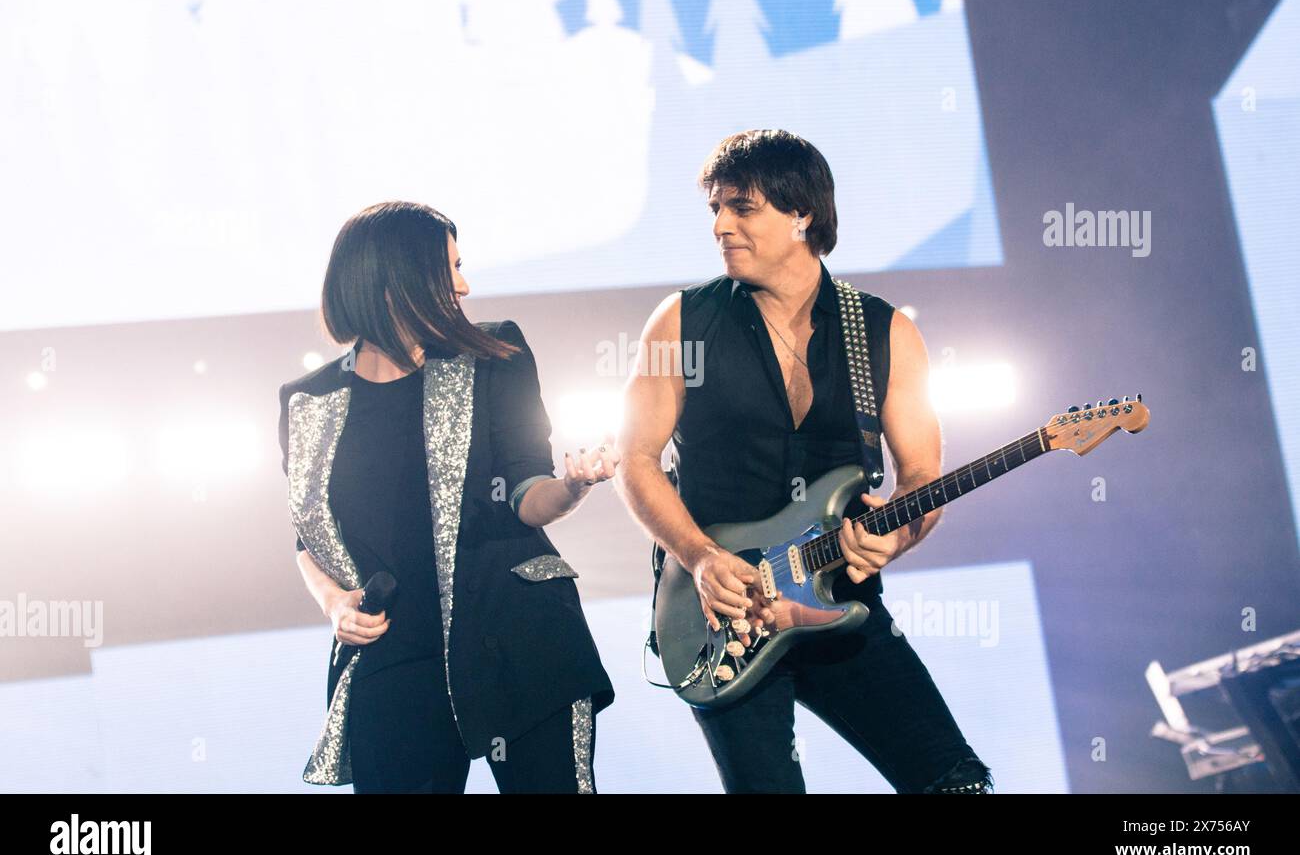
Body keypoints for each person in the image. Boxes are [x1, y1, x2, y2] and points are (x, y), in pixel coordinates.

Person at [614, 130, 992, 793]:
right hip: (721, 617)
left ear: (802, 213)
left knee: (953, 782)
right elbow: (636, 459)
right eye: (715, 210)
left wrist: (896, 539)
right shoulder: (679, 321)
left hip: (839, 602)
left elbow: (923, 481)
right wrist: (701, 559)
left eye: (742, 208)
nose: (721, 226)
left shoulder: (885, 331)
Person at [278, 200, 615, 793]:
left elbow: (526, 489)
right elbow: (309, 540)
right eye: (449, 268)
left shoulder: (494, 354)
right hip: (394, 657)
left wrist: (571, 486)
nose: (464, 285)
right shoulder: (308, 400)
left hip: (516, 635)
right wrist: (335, 605)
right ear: (393, 282)